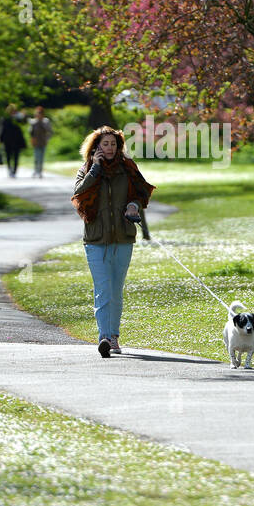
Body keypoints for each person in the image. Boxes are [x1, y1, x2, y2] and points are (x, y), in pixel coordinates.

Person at [71, 126, 154, 358]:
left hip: (123, 237)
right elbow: (78, 193)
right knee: (102, 289)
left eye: (113, 144)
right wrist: (95, 169)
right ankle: (104, 337)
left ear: (119, 147)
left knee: (116, 290)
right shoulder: (87, 169)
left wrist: (133, 206)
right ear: (96, 147)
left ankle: (114, 335)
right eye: (105, 144)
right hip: (95, 239)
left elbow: (140, 193)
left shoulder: (127, 169)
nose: (109, 148)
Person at [0, 104, 27, 177]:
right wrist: (0, 139)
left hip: (17, 140)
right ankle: (10, 169)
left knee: (16, 156)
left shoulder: (18, 118)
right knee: (8, 156)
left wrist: (24, 116)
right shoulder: (5, 119)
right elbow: (2, 129)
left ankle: (14, 170)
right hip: (7, 140)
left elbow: (24, 122)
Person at [29, 106, 53, 178]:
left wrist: (47, 139)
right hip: (36, 142)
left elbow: (50, 131)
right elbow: (30, 132)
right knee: (36, 157)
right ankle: (36, 170)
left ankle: (40, 171)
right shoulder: (33, 122)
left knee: (41, 157)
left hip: (43, 141)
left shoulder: (46, 121)